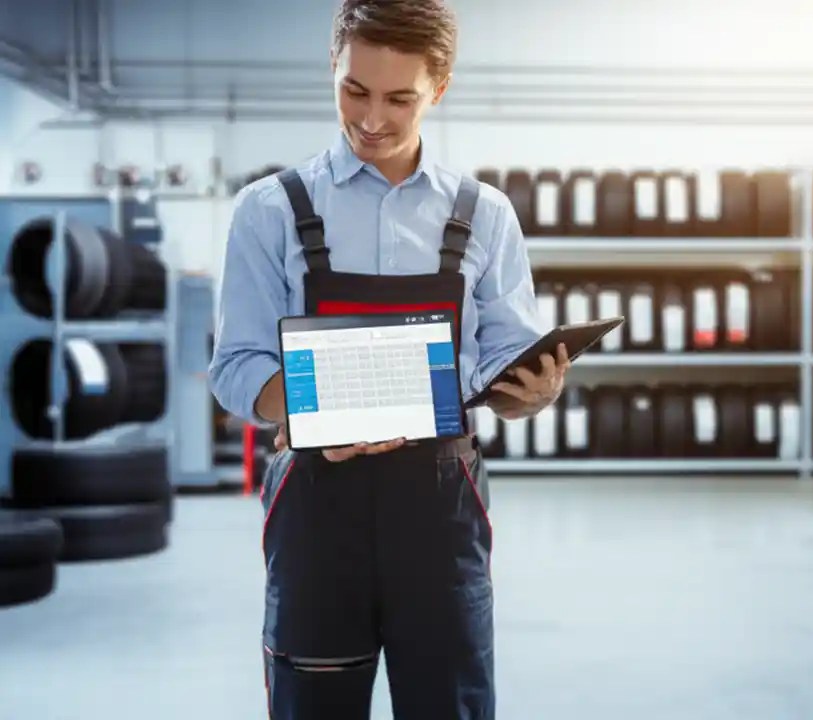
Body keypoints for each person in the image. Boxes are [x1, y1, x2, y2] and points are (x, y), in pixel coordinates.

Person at [208, 1, 567, 716]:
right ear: (332, 72)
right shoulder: (269, 210)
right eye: (354, 90)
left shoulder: (485, 214)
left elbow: (504, 351)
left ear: (440, 88)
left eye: (399, 98)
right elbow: (236, 364)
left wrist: (529, 390)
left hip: (439, 502)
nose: (372, 118)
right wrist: (309, 407)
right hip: (317, 500)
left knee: (449, 701)